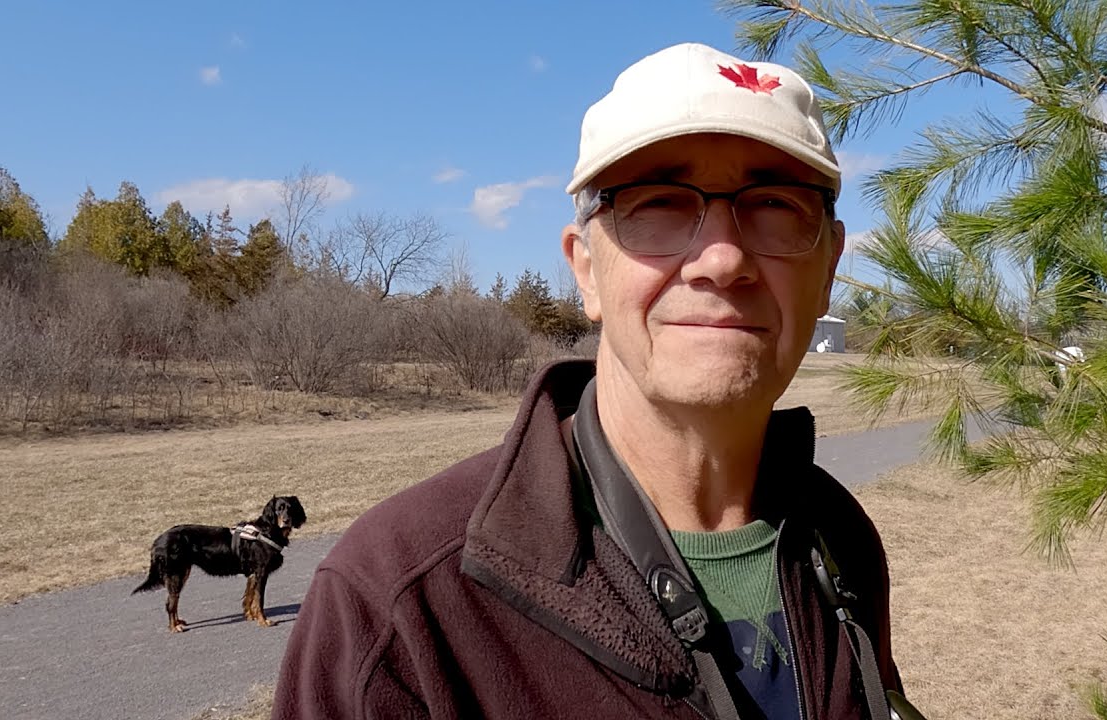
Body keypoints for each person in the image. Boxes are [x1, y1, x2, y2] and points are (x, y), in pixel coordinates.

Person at [272, 42, 907, 720]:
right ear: (586, 270)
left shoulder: (838, 535)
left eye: (776, 204)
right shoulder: (399, 605)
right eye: (659, 202)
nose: (723, 260)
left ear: (829, 267)